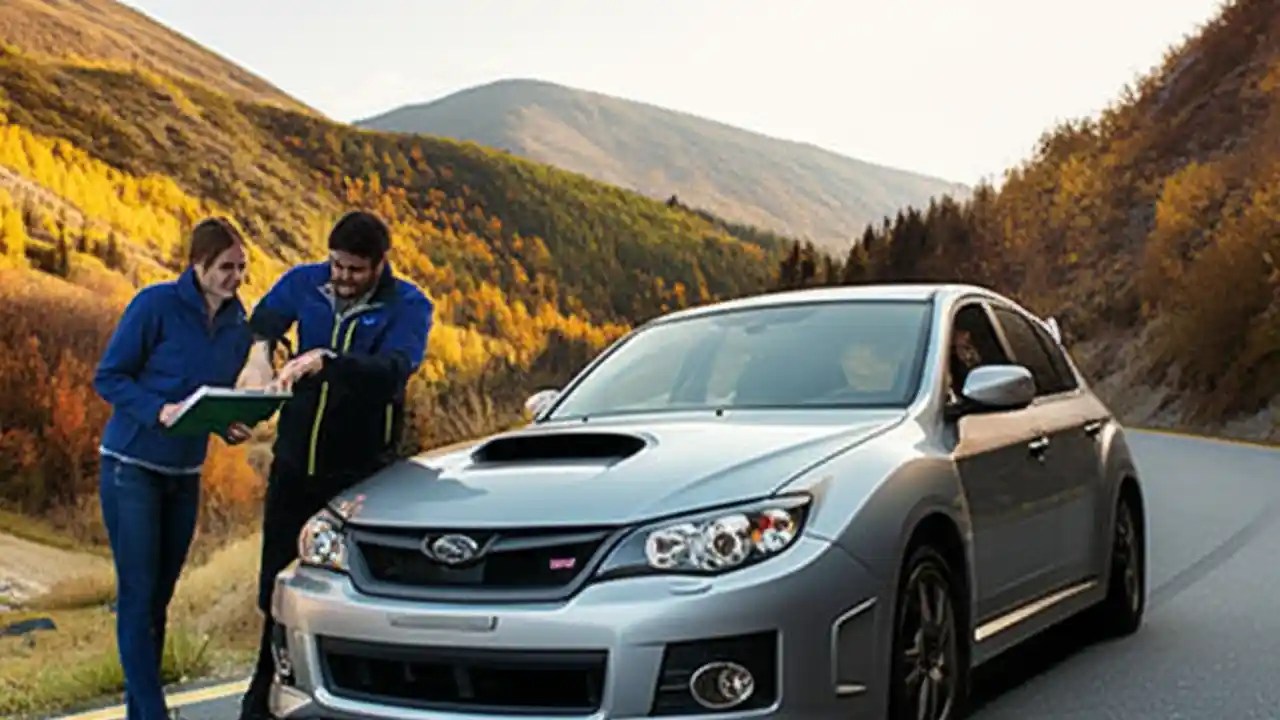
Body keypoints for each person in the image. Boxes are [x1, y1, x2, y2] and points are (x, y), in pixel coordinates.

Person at [235, 210, 434, 719]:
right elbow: (264, 317)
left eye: (354, 270)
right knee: (275, 588)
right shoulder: (306, 282)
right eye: (337, 265)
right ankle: (263, 700)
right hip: (294, 463)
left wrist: (328, 363)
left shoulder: (409, 305)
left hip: (360, 475)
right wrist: (261, 352)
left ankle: (365, 699)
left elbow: (393, 370)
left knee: (354, 593)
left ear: (379, 264)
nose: (342, 277)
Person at [93, 217, 256, 720]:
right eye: (226, 267)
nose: (236, 277)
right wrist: (156, 410)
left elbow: (210, 397)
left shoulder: (237, 324)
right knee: (138, 597)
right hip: (131, 467)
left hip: (184, 474)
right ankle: (153, 714)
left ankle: (141, 714)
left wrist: (228, 424)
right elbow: (109, 377)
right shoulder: (155, 306)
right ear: (198, 264)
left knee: (157, 600)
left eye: (242, 267)